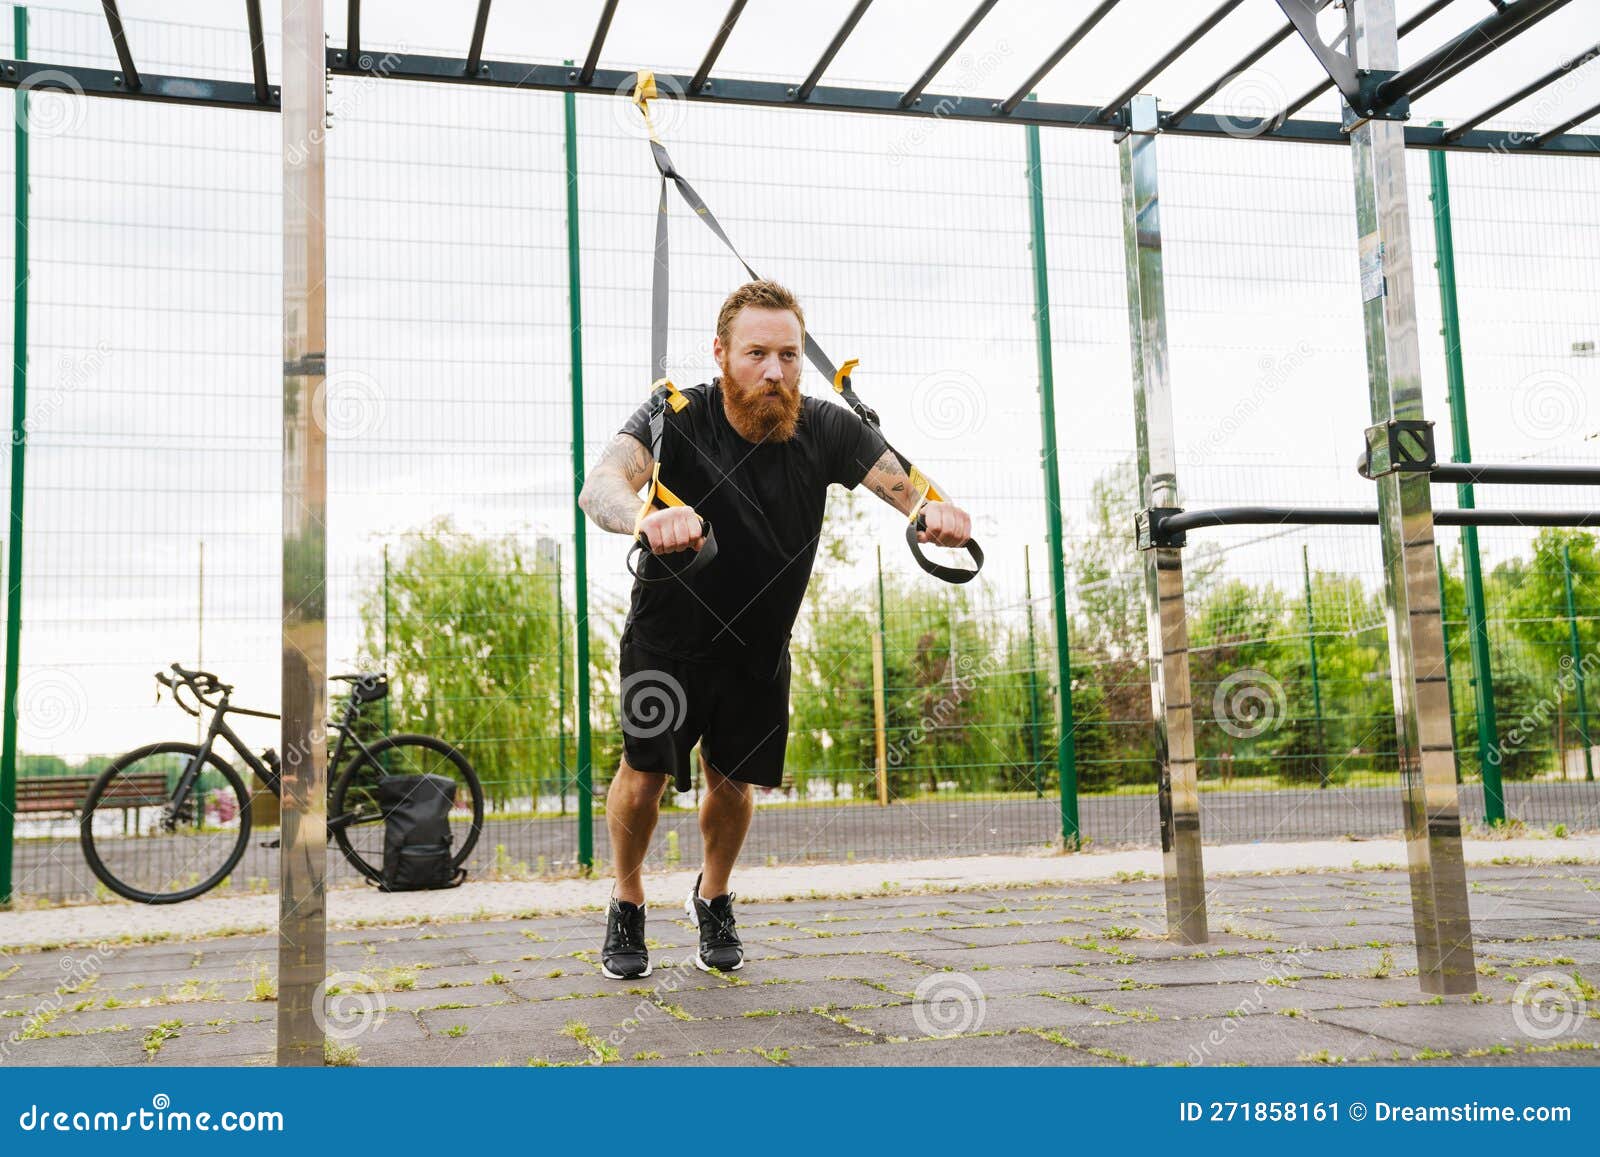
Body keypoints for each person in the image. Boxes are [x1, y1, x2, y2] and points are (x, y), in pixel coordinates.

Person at [577, 279, 973, 979]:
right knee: (644, 778)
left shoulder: (827, 427)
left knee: (732, 784)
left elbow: (911, 487)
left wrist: (935, 514)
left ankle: (714, 893)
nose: (774, 371)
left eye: (788, 356)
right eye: (757, 353)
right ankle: (628, 895)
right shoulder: (676, 416)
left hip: (759, 644)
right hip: (666, 637)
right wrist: (644, 516)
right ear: (722, 352)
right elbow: (601, 483)